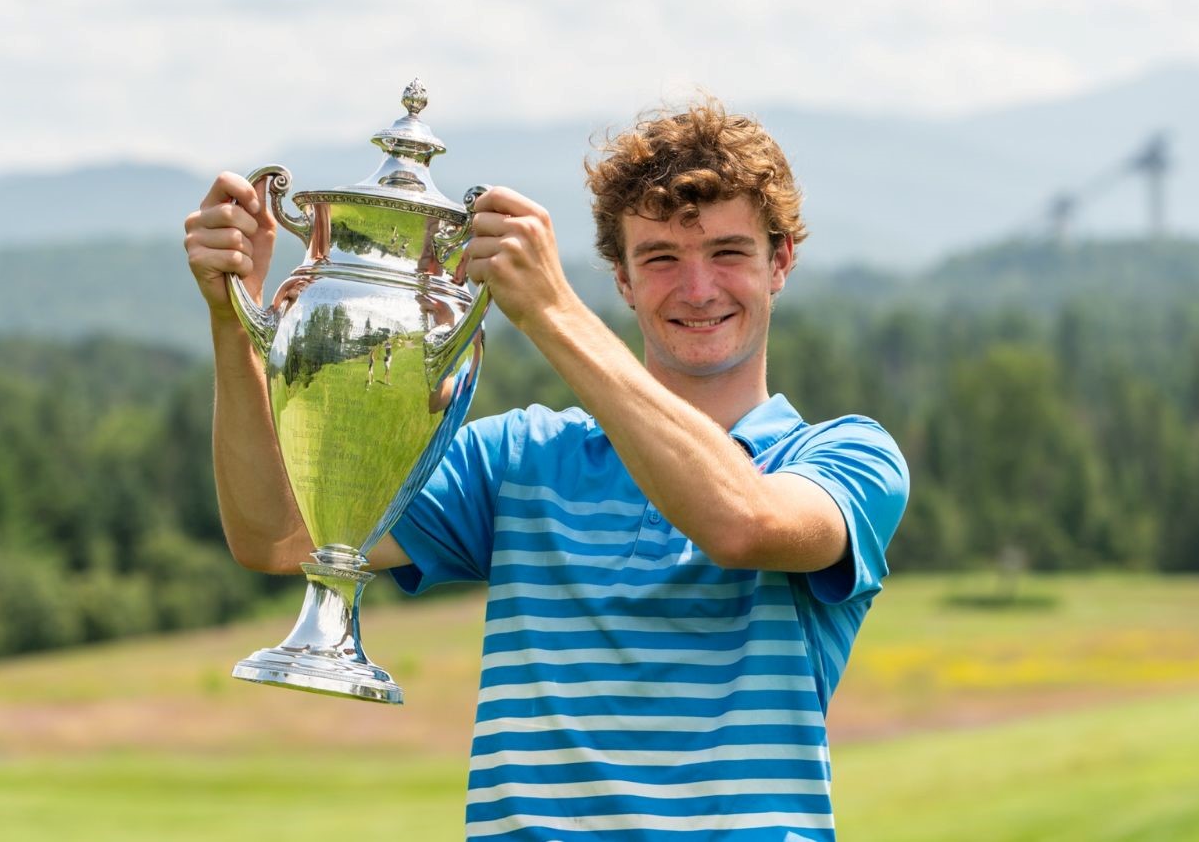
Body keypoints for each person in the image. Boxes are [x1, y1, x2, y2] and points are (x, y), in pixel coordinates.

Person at [182, 98, 910, 841]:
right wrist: (233, 320)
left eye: (728, 252)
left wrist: (552, 312)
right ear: (622, 279)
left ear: (779, 262)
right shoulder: (519, 458)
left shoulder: (849, 457)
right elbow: (278, 537)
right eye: (660, 258)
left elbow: (742, 524)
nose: (697, 289)